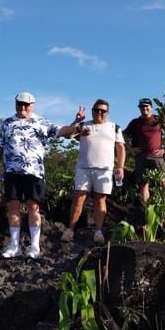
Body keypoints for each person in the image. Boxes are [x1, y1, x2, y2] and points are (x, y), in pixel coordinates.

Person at [0, 92, 66, 259]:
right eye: (19, 104)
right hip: (11, 172)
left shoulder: (41, 121)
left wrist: (77, 124)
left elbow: (61, 131)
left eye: (26, 104)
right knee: (12, 207)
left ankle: (34, 246)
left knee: (33, 207)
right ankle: (14, 245)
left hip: (34, 172)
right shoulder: (8, 123)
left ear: (32, 105)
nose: (23, 107)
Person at [59, 99, 125, 245]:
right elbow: (67, 135)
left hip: (104, 169)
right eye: (96, 110)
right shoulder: (83, 125)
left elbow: (120, 148)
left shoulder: (114, 127)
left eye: (102, 111)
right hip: (84, 167)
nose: (99, 113)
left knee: (100, 199)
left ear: (107, 113)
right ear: (92, 110)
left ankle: (98, 231)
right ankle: (70, 230)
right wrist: (76, 121)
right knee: (79, 197)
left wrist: (120, 167)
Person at [124, 97, 165, 203]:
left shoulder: (158, 119)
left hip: (156, 156)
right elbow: (124, 135)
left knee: (162, 180)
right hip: (141, 157)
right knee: (143, 184)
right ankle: (147, 209)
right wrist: (130, 148)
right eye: (142, 106)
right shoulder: (135, 122)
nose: (144, 108)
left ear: (151, 107)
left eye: (146, 106)